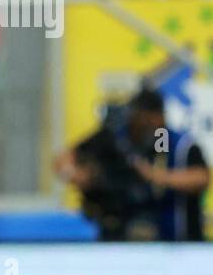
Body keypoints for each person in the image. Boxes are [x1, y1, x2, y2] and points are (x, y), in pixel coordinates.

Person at [57, 88, 209, 241]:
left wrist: (156, 176)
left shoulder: (165, 139)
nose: (148, 124)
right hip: (118, 231)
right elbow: (64, 160)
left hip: (176, 239)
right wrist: (76, 175)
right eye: (141, 119)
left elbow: (201, 178)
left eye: (153, 119)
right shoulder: (115, 137)